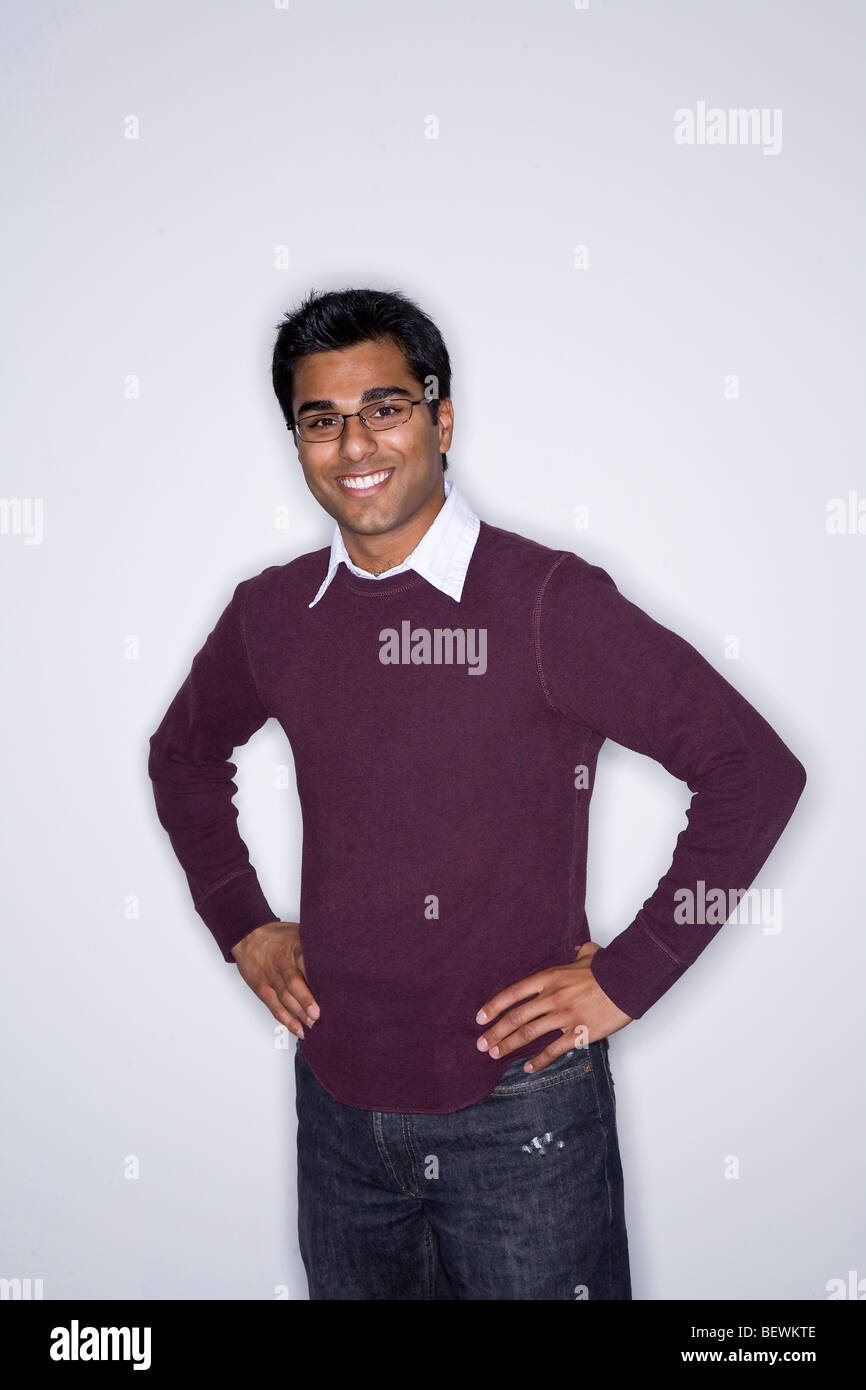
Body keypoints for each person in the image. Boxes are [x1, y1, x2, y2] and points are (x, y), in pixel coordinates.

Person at [147, 286, 806, 1300]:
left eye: (385, 406)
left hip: (521, 1112)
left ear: (439, 419)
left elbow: (753, 774)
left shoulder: (545, 601)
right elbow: (181, 757)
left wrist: (629, 975)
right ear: (296, 444)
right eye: (319, 420)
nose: (354, 442)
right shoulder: (273, 614)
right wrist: (240, 920)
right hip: (337, 1106)